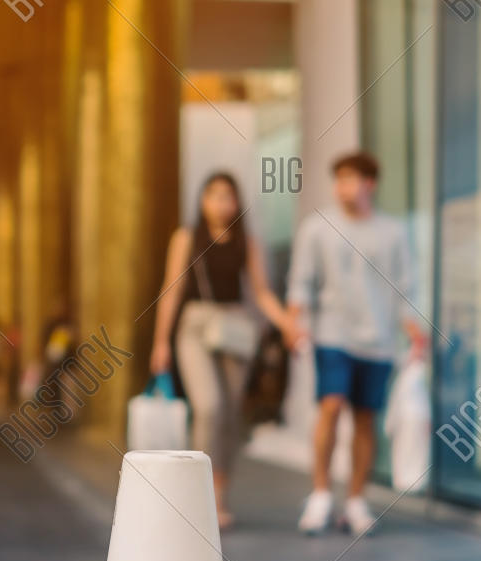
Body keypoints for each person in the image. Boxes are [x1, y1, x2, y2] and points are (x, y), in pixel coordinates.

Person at [286, 151, 425, 536]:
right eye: (339, 179)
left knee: (366, 419)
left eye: (351, 179)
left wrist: (414, 329)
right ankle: (319, 496)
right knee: (330, 407)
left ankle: (356, 501)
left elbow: (405, 286)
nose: (343, 187)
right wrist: (295, 321)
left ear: (370, 184)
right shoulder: (318, 227)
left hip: (379, 340)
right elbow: (301, 280)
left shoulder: (393, 232)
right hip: (333, 334)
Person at [150, 171, 296, 529]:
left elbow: (261, 293)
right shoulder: (187, 238)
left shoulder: (248, 241)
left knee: (230, 415)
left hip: (235, 331)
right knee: (209, 406)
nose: (220, 202)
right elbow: (172, 289)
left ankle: (218, 499)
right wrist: (160, 342)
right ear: (202, 200)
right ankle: (195, 497)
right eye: (212, 194)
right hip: (195, 328)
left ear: (236, 201)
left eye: (227, 195)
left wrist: (287, 323)